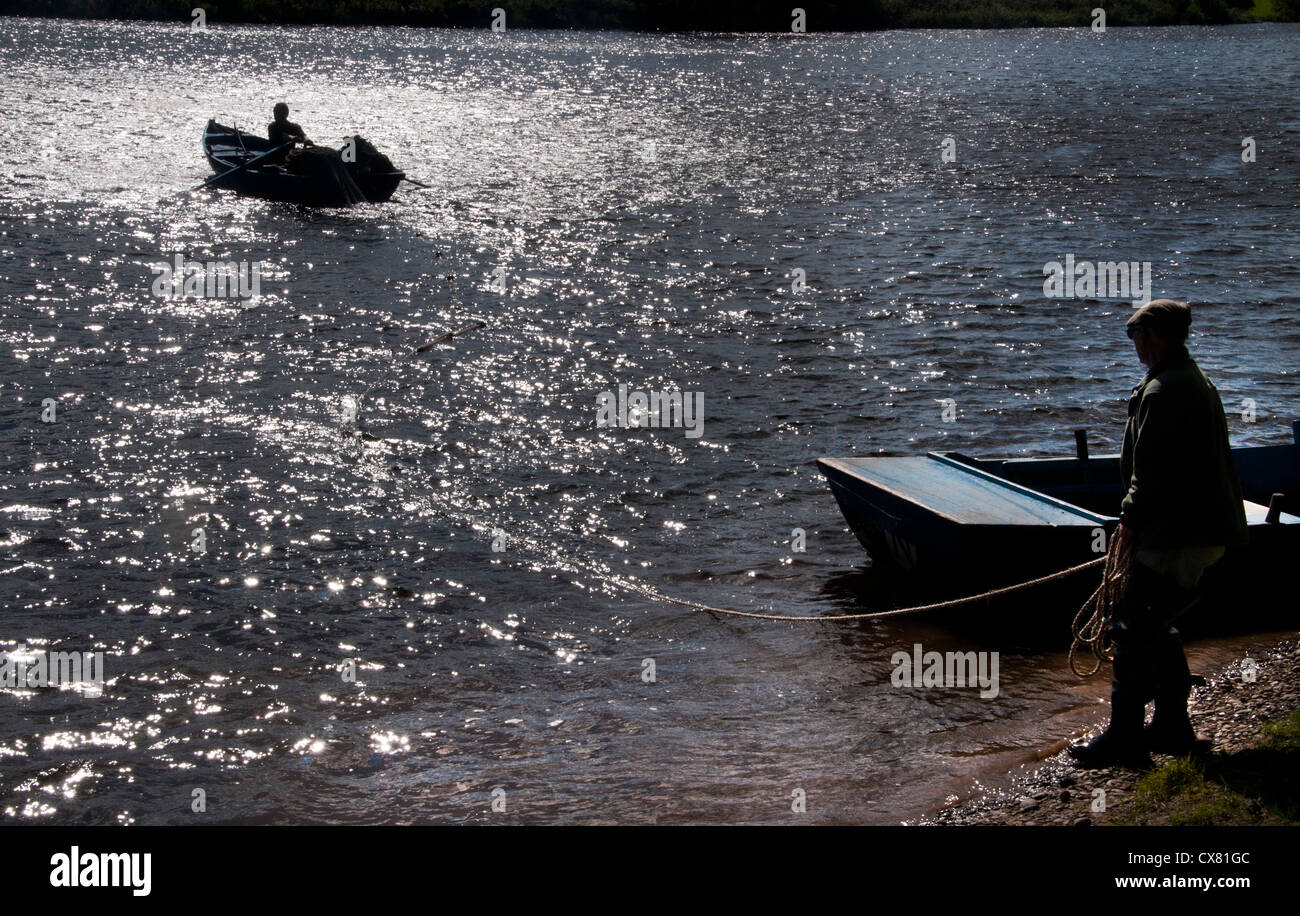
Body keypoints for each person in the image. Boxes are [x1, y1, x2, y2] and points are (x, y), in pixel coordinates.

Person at [1069, 299, 1247, 769]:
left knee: (1130, 628)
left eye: (1135, 337)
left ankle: (1125, 739)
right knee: (1157, 626)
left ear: (1151, 336)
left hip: (1177, 534)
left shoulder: (1165, 391)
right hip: (1196, 529)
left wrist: (1128, 521)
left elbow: (1151, 474)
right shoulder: (1189, 380)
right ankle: (1172, 727)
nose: (1134, 346)